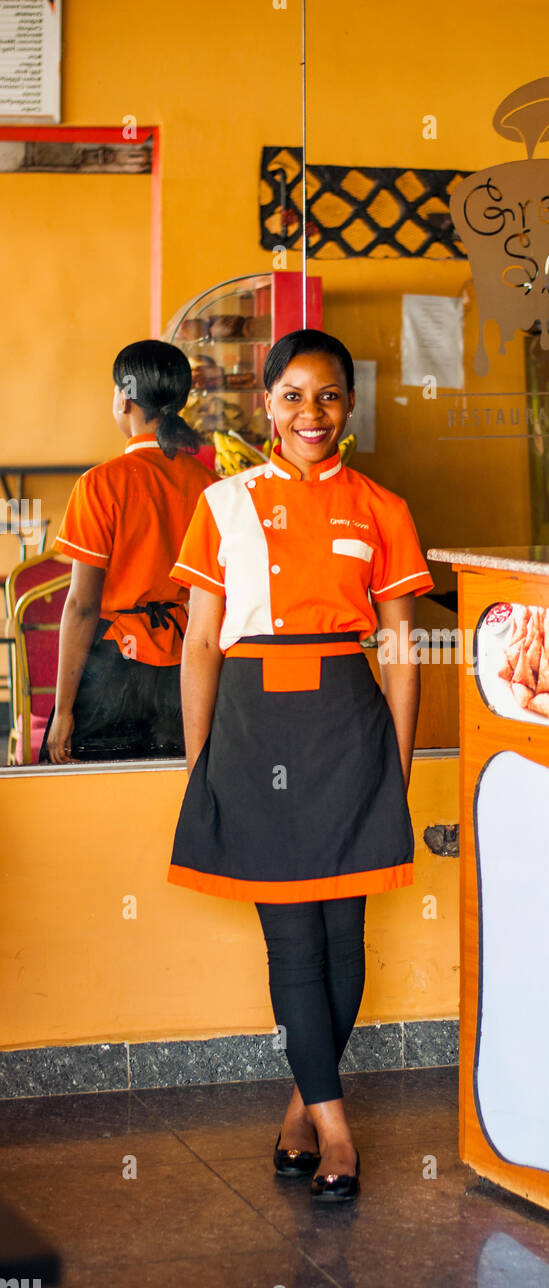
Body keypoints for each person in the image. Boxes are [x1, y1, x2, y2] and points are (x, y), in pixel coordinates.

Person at [167, 329, 433, 1203]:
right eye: (291, 395)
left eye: (326, 396)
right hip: (252, 725)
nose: (308, 413)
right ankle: (338, 1130)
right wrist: (200, 757)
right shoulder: (223, 504)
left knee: (343, 937)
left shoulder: (381, 508)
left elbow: (399, 645)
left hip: (344, 723)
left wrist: (393, 759)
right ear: (266, 404)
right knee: (291, 938)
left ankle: (301, 1105)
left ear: (348, 405)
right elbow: (201, 640)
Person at [43, 340, 212, 763]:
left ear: (124, 398)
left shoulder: (101, 484)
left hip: (113, 674)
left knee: (92, 798)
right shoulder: (212, 486)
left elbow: (82, 606)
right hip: (187, 669)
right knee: (172, 792)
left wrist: (63, 710)